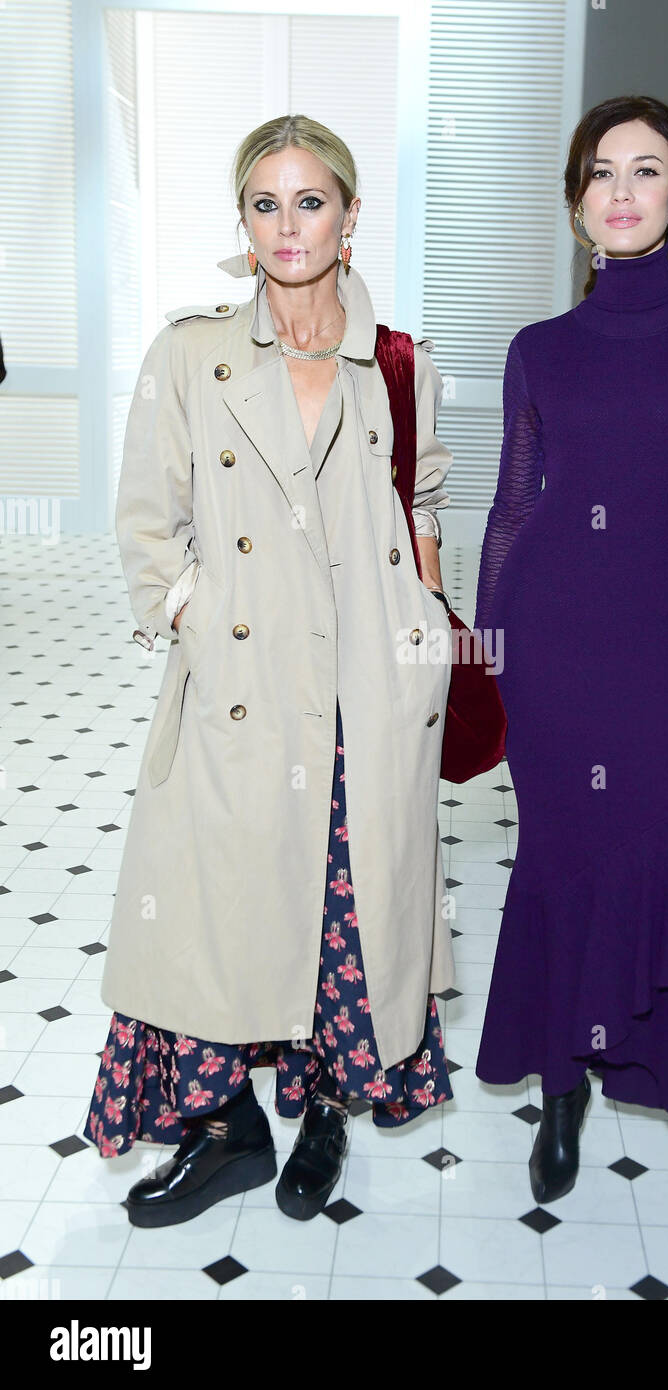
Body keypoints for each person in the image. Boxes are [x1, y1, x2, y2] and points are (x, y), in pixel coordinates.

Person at [84, 115, 457, 1226]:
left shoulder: (400, 360)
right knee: (209, 905)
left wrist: (427, 622)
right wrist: (194, 611)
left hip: (365, 694)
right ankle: (224, 1124)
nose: (287, 226)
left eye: (310, 201)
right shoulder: (190, 354)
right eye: (264, 203)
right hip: (242, 689)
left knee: (347, 903)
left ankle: (328, 1108)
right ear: (241, 224)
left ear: (349, 215)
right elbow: (147, 519)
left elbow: (424, 496)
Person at [473, 96, 668, 1275]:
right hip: (550, 658)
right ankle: (564, 1090)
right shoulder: (538, 349)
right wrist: (488, 667)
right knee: (561, 870)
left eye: (647, 171)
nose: (622, 191)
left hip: (660, 664)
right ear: (576, 197)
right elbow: (511, 513)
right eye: (601, 172)